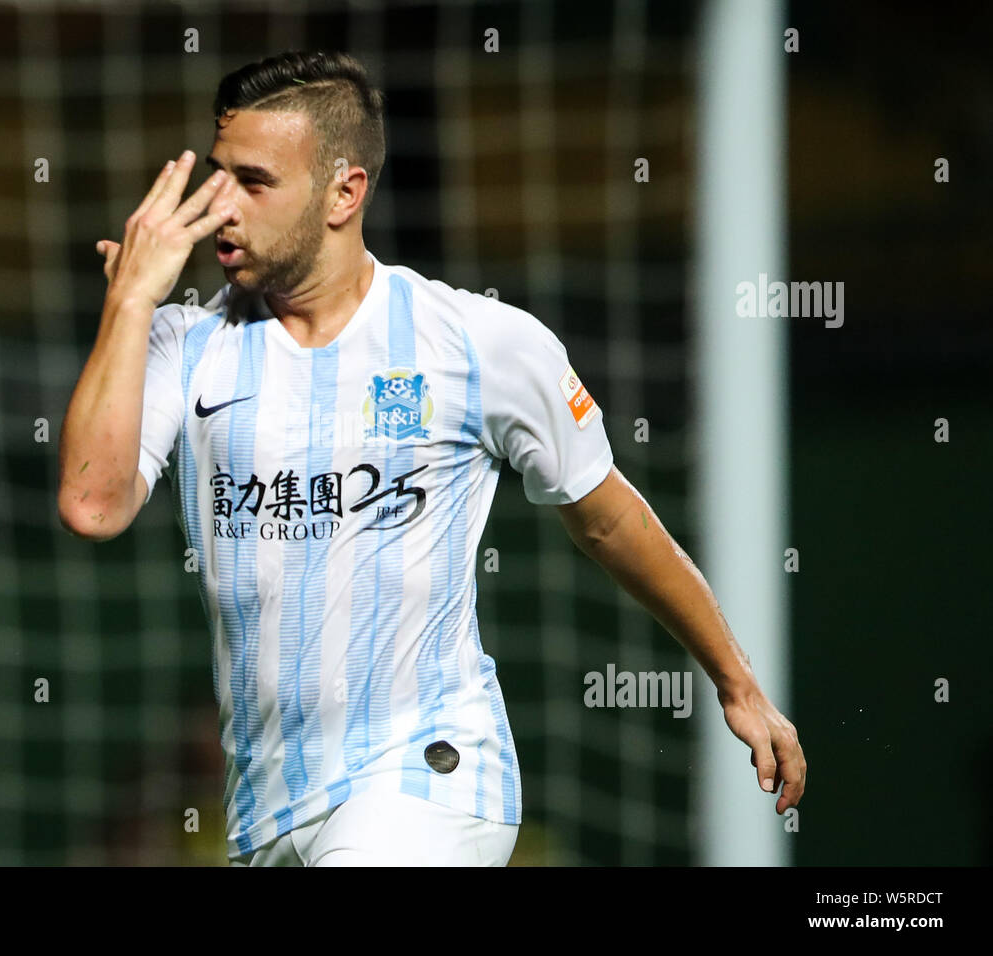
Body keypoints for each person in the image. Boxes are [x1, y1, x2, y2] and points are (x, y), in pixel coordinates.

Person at [58, 50, 805, 866]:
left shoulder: (479, 342)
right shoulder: (184, 342)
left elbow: (607, 517)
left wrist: (736, 681)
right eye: (217, 176)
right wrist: (130, 304)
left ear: (345, 192)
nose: (220, 208)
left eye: (255, 181)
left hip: (426, 780)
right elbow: (94, 505)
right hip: (265, 810)